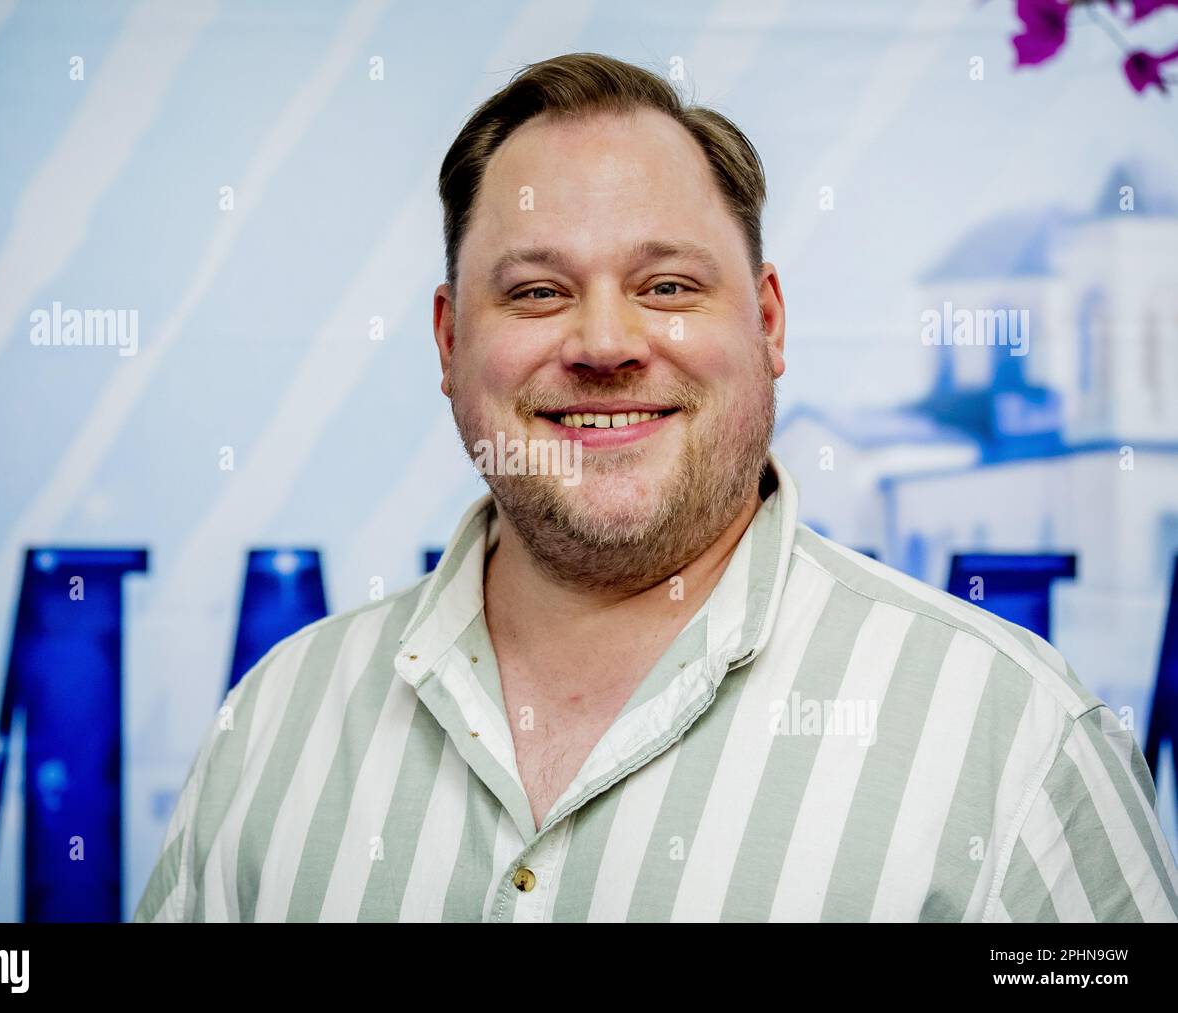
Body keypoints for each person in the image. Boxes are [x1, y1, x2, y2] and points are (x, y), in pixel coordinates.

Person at [135, 52, 1178, 923]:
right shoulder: (274, 723)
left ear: (767, 324)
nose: (602, 344)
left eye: (666, 286)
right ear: (450, 342)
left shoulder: (1010, 739)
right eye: (537, 291)